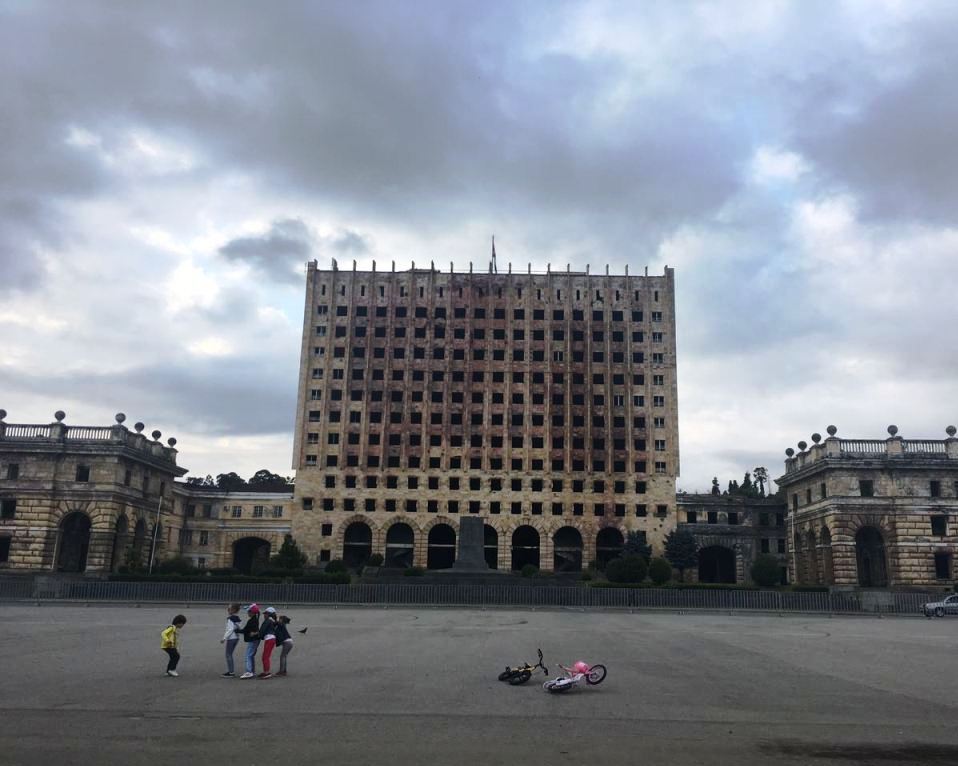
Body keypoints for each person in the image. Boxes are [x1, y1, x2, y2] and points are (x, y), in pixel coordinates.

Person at [221, 603, 242, 677]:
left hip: (231, 638)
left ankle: (231, 672)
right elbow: (239, 628)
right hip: (236, 638)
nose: (228, 610)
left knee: (228, 654)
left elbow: (230, 629)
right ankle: (231, 671)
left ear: (233, 610)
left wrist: (224, 638)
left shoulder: (230, 619)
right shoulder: (238, 619)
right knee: (230, 654)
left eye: (229, 609)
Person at [239, 604, 260, 679]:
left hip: (253, 640)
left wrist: (237, 630)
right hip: (256, 640)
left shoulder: (252, 621)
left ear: (253, 612)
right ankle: (252, 671)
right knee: (251, 655)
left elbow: (245, 630)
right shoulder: (255, 619)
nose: (248, 613)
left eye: (249, 611)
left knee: (248, 655)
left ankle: (249, 671)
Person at [258, 607, 278, 679]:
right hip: (271, 639)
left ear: (269, 614)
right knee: (265, 656)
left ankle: (267, 672)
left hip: (269, 639)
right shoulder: (273, 621)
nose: (264, 615)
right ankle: (265, 671)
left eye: (266, 613)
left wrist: (258, 636)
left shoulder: (267, 621)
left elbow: (262, 630)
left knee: (265, 657)